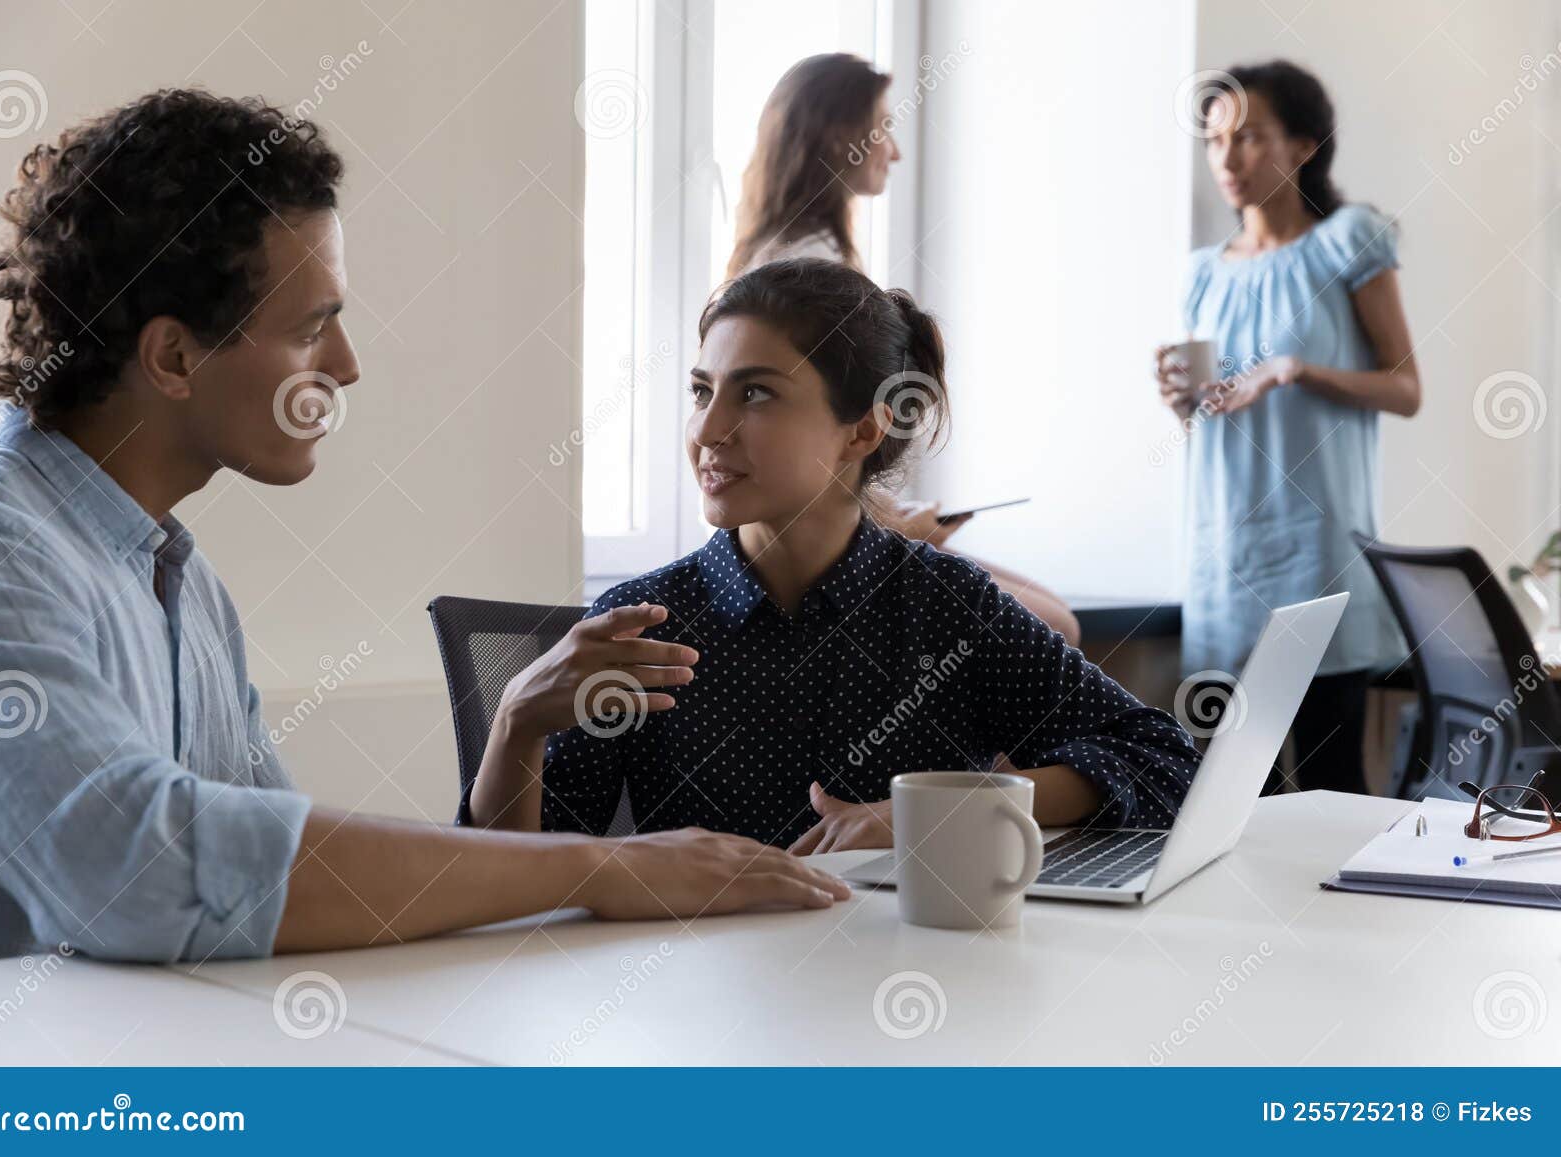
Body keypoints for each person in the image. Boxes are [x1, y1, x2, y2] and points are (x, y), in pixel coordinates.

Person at [0, 89, 850, 965]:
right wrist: (603, 866)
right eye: (313, 329)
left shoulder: (182, 584)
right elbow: (138, 870)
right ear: (174, 356)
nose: (346, 367)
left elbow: (270, 877)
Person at [464, 257, 1201, 852]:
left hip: (918, 995)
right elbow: (512, 884)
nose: (708, 429)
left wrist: (942, 813)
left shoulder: (947, 604)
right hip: (696, 1001)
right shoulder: (644, 624)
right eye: (701, 390)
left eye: (754, 394)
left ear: (862, 431)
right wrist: (517, 721)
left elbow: (1165, 759)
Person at [727, 53, 1080, 643]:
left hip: (832, 520)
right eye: (885, 128)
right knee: (1054, 624)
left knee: (1049, 615)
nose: (895, 150)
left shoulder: (789, 258)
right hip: (816, 539)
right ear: (843, 137)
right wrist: (893, 523)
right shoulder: (809, 276)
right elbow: (818, 448)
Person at [1154, 61, 1421, 794]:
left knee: (1334, 792)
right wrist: (1180, 398)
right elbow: (1210, 410)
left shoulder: (1349, 241)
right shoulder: (1202, 272)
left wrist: (1295, 368)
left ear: (1303, 146)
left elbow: (1406, 388)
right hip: (1222, 562)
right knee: (1230, 803)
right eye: (1214, 141)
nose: (1227, 159)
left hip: (1318, 562)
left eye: (1248, 137)